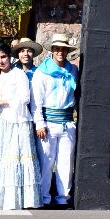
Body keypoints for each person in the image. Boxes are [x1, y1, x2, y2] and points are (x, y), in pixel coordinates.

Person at [0, 41, 41, 210]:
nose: (1, 61)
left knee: (19, 159)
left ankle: (26, 199)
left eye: (3, 57)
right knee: (6, 160)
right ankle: (9, 200)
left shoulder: (19, 74)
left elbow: (24, 98)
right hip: (2, 121)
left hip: (18, 122)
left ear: (10, 57)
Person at [31, 33, 79, 207]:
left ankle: (62, 198)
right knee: (46, 162)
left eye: (64, 49)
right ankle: (44, 197)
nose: (60, 52)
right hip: (48, 122)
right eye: (57, 48)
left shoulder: (72, 70)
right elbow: (36, 101)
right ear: (52, 50)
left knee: (66, 163)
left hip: (67, 122)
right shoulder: (41, 73)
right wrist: (39, 123)